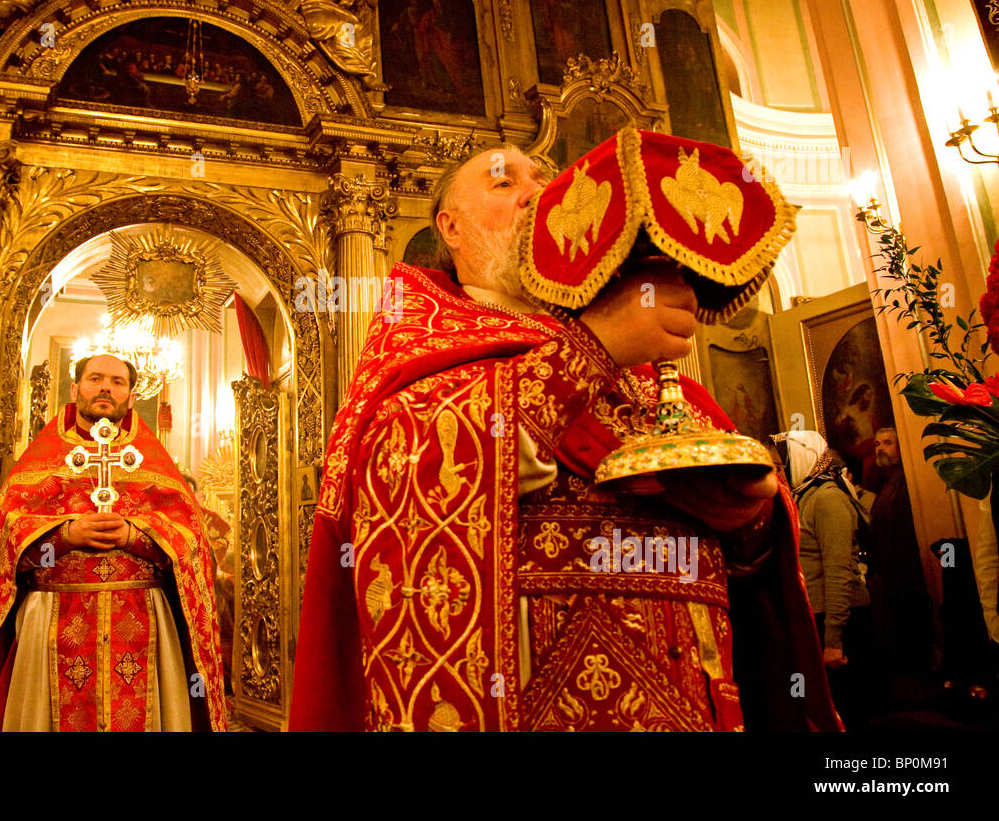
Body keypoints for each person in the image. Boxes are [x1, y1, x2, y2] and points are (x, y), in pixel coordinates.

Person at [291, 141, 840, 731]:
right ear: (449, 226)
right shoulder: (423, 335)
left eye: (544, 179)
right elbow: (408, 461)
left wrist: (749, 514)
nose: (536, 192)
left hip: (694, 695)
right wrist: (595, 348)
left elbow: (751, 561)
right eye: (504, 183)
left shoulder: (642, 357)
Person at [0, 353, 227, 731]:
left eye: (117, 381)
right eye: (95, 379)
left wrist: (137, 536)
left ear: (130, 394)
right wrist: (65, 535)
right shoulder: (41, 459)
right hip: (52, 613)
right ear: (76, 388)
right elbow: (1, 544)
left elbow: (192, 542)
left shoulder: (150, 461)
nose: (106, 387)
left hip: (142, 614)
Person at [776, 430, 872, 728]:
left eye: (781, 466)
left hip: (840, 619)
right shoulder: (804, 495)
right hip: (817, 615)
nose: (777, 474)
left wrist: (834, 640)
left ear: (799, 460)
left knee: (849, 710)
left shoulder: (828, 499)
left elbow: (839, 571)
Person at [866, 427, 935, 679]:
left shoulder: (908, 483)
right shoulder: (886, 485)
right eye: (876, 444)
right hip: (891, 579)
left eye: (887, 443)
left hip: (911, 577)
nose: (880, 448)